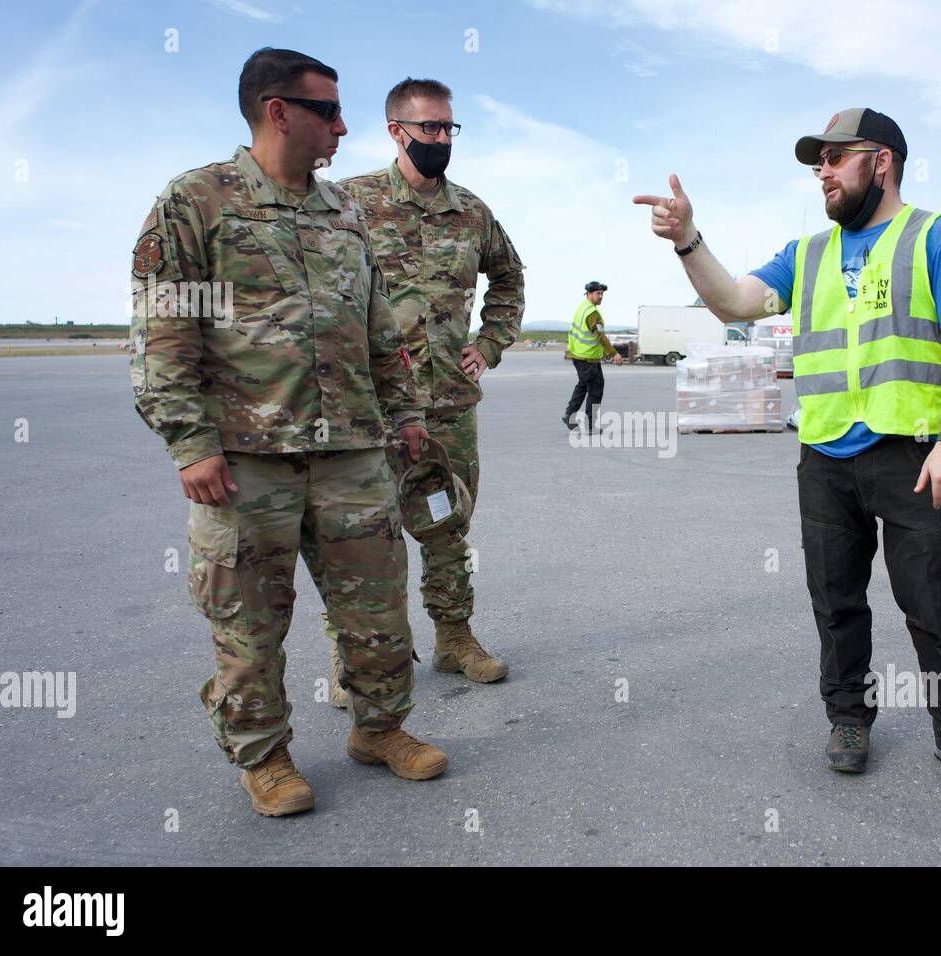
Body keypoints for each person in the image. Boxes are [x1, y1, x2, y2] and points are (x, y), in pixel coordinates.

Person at [634, 108, 941, 793]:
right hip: (827, 454)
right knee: (835, 599)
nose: (824, 174)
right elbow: (736, 303)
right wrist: (688, 240)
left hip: (913, 452)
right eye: (818, 164)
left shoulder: (938, 238)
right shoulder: (807, 255)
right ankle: (849, 719)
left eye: (837, 159)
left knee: (934, 602)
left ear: (883, 161)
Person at [129, 48, 447, 817]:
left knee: (375, 607)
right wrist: (190, 441)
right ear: (279, 112)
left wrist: (404, 414)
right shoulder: (199, 202)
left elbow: (380, 329)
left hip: (351, 450)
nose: (343, 127)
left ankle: (380, 729)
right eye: (328, 112)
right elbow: (166, 330)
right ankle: (265, 758)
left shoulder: (343, 212)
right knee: (248, 622)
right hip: (246, 459)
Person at [318, 77, 524, 689]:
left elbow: (509, 279)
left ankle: (454, 638)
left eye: (447, 128)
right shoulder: (346, 203)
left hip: (449, 405)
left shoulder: (472, 212)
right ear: (396, 131)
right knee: (360, 542)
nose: (440, 138)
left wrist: (487, 345)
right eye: (428, 128)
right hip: (372, 408)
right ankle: (353, 657)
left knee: (447, 524)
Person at [563, 281, 623, 431]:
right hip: (587, 358)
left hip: (579, 355)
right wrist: (614, 353)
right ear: (589, 294)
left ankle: (569, 414)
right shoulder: (592, 313)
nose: (601, 296)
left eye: (602, 293)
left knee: (583, 385)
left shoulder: (583, 307)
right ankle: (591, 425)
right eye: (598, 293)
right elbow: (600, 336)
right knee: (596, 389)